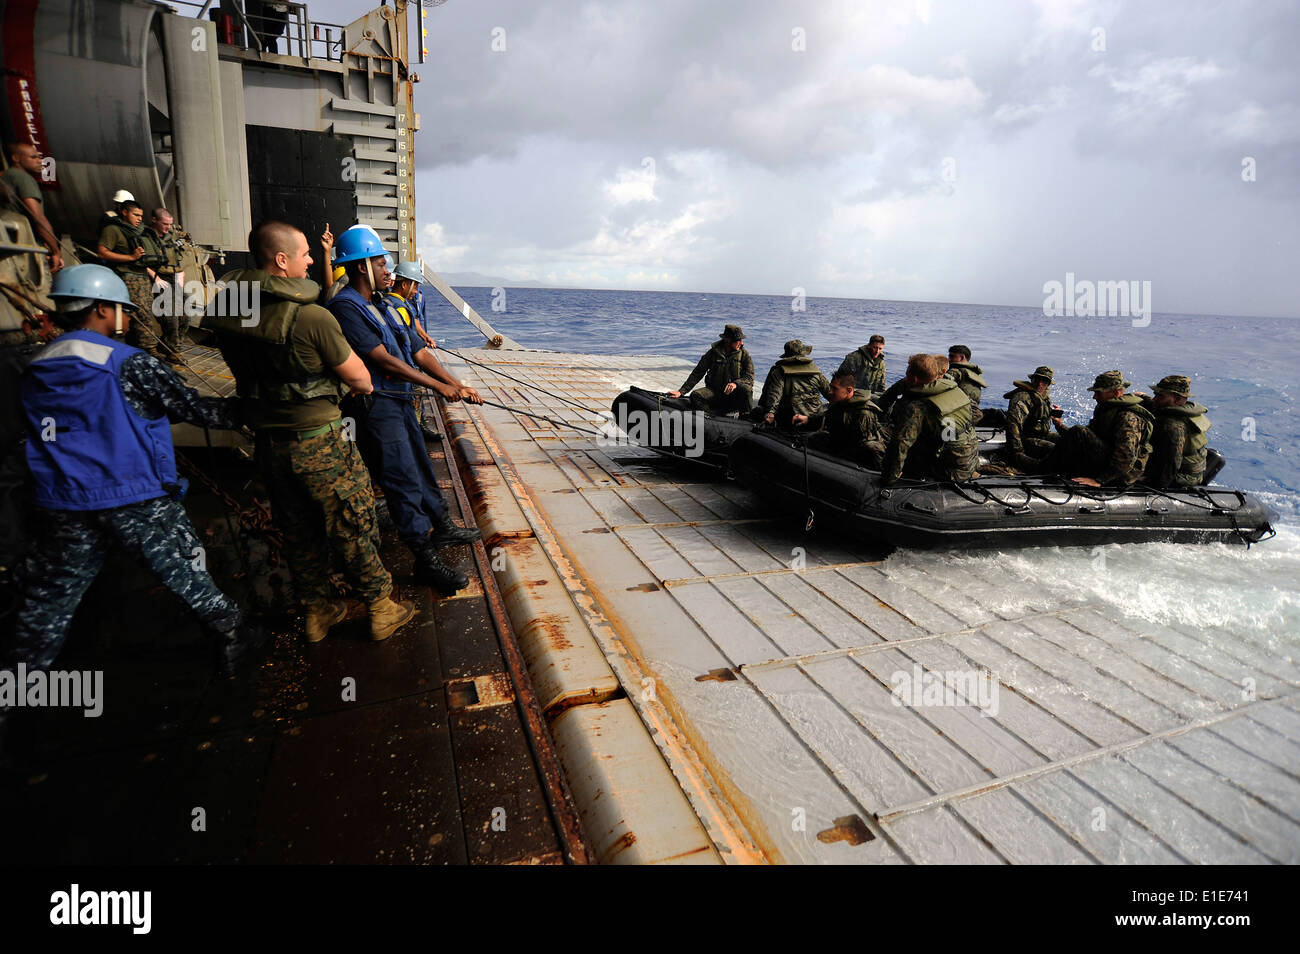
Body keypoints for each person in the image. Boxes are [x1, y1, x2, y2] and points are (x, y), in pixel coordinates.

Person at [8, 265, 264, 676]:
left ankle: (18, 682)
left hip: (62, 499)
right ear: (104, 310)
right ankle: (232, 635)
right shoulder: (128, 362)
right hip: (132, 492)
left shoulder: (35, 365)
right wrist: (256, 409)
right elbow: (196, 408)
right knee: (184, 567)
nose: (126, 318)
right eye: (122, 310)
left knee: (49, 598)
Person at [202, 220, 415, 643]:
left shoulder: (232, 317)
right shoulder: (312, 317)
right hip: (320, 440)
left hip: (268, 445)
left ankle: (317, 615)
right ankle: (380, 608)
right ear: (281, 261)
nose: (312, 262)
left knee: (298, 532)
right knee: (351, 524)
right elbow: (361, 380)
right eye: (305, 256)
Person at [326, 225, 482, 595]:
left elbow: (418, 351)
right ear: (361, 266)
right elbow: (385, 361)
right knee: (401, 480)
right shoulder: (346, 308)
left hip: (400, 404)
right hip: (377, 409)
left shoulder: (386, 305)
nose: (388, 270)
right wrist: (439, 388)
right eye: (380, 262)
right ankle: (424, 558)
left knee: (422, 466)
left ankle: (441, 527)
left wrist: (454, 383)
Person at [1032, 370, 1154, 487]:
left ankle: (1040, 469)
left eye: (1099, 393)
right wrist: (1059, 425)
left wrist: (1100, 480)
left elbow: (1126, 457)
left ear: (1116, 393)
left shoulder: (1128, 417)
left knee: (1078, 431)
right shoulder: (1106, 408)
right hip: (1109, 459)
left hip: (1122, 474)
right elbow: (1088, 435)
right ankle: (1045, 467)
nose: (1094, 397)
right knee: (1057, 437)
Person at [880, 353, 979, 485]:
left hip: (951, 469)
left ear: (913, 378)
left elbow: (901, 443)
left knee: (902, 453)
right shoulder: (953, 388)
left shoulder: (917, 407)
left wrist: (889, 478)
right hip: (971, 457)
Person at [97, 200, 169, 364]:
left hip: (142, 276)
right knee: (139, 312)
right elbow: (102, 253)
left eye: (141, 216)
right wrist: (130, 257)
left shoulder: (141, 231)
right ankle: (149, 349)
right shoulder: (113, 230)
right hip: (126, 276)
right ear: (124, 212)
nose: (139, 218)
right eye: (135, 215)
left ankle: (139, 347)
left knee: (146, 312)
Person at [389, 260, 440, 441]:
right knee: (414, 400)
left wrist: (423, 337)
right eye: (415, 285)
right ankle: (416, 433)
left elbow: (413, 327)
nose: (416, 290)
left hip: (401, 368)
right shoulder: (400, 307)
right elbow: (406, 344)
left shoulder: (394, 302)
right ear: (404, 284)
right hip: (406, 368)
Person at [803, 370, 888, 467]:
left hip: (856, 448)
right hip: (841, 440)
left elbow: (864, 444)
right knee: (813, 438)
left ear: (849, 390)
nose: (830, 392)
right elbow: (827, 415)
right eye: (831, 387)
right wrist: (808, 419)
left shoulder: (863, 413)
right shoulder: (838, 402)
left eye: (834, 388)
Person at [666, 324, 754, 416]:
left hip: (733, 395)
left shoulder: (744, 355)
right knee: (695, 396)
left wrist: (735, 384)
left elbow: (749, 378)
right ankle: (711, 417)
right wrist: (681, 392)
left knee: (746, 389)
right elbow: (698, 372)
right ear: (728, 340)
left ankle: (746, 418)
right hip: (715, 393)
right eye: (738, 340)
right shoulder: (713, 353)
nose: (741, 343)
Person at [2, 141, 62, 272]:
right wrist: (56, 251)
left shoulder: (7, 177)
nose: (40, 161)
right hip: (23, 248)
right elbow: (38, 217)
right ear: (16, 158)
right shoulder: (23, 178)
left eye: (39, 157)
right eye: (33, 157)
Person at [1142, 375, 1211, 487]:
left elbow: (1171, 464)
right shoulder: (1177, 410)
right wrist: (1143, 398)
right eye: (1155, 395)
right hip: (1183, 468)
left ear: (1178, 399)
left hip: (1183, 476)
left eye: (1160, 396)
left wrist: (1152, 483)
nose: (1155, 399)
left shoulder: (1173, 426)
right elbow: (1157, 405)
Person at [141, 207, 185, 362]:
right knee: (170, 315)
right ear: (155, 220)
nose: (168, 227)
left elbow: (178, 260)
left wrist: (180, 278)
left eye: (170, 224)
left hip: (175, 276)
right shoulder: (145, 238)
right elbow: (140, 261)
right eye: (165, 224)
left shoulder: (171, 236)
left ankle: (167, 344)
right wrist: (156, 278)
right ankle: (174, 351)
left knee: (185, 315)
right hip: (158, 277)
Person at [999, 365, 1062, 470]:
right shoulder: (1023, 397)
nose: (1039, 384)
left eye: (1044, 381)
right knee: (1055, 450)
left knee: (1067, 441)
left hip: (1041, 434)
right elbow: (1013, 425)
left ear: (1048, 385)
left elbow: (1038, 414)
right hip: (1025, 439)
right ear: (1032, 379)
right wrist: (1017, 452)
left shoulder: (1043, 396)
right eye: (1037, 379)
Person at [756, 339, 829, 427]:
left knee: (757, 411)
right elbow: (830, 393)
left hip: (792, 420)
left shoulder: (779, 372)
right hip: (815, 419)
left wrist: (770, 413)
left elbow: (774, 396)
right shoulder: (816, 372)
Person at [944, 344, 986, 424]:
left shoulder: (954, 372)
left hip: (957, 412)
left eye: (952, 356)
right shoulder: (974, 373)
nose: (949, 359)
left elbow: (941, 388)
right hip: (973, 412)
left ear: (962, 357)